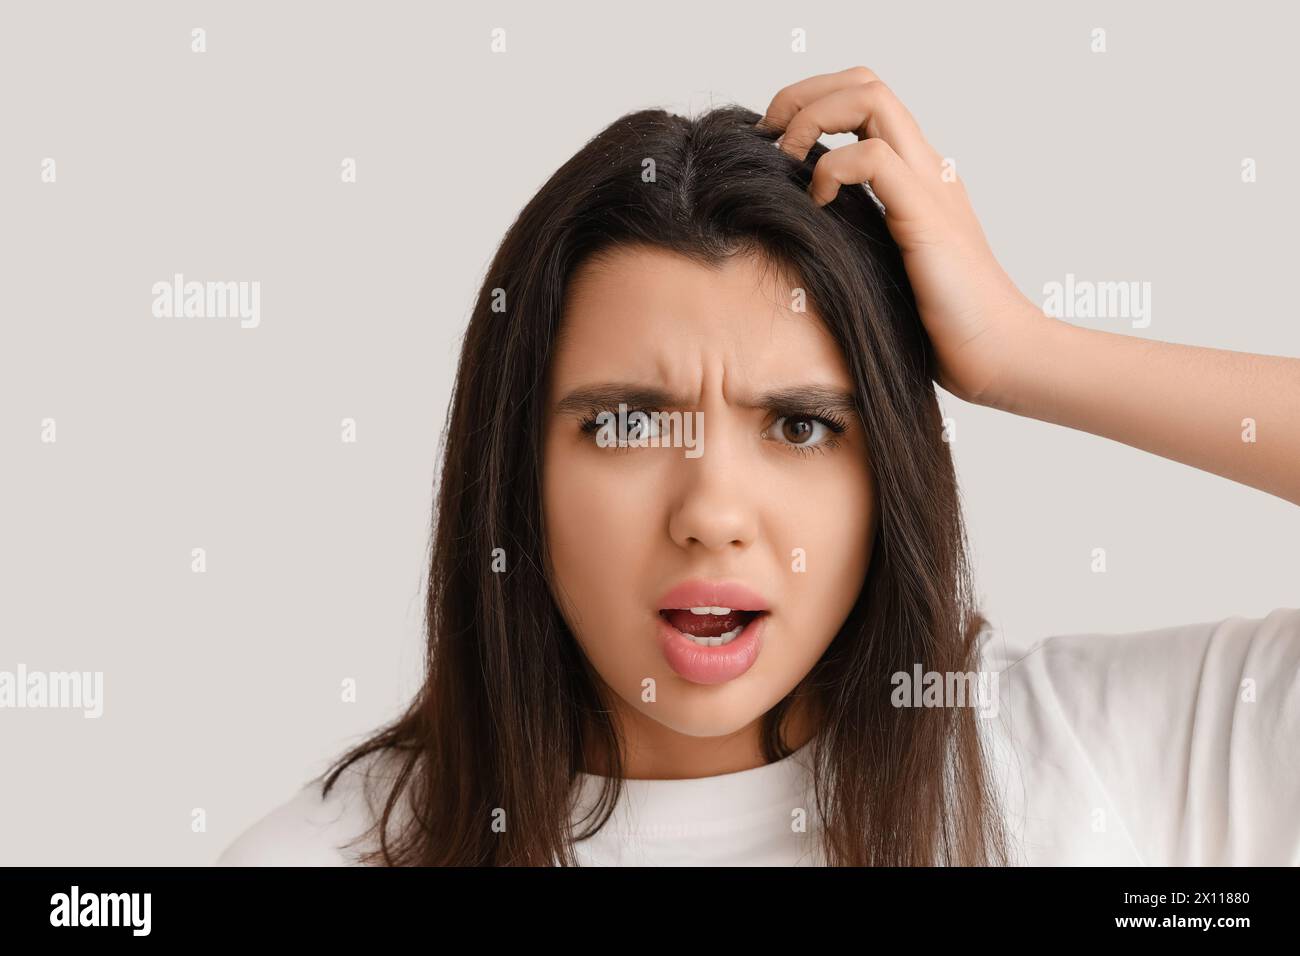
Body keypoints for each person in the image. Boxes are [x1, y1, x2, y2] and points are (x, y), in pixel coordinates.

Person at [216, 66, 1300, 867]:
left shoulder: (1110, 754)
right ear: (515, 476)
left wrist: (1025, 353)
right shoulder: (323, 856)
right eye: (627, 426)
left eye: (796, 426)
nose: (712, 513)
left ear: (890, 475)